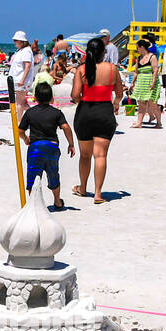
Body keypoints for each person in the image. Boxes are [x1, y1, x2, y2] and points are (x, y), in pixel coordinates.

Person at [70, 36, 123, 205]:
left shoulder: (81, 69)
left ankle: (83, 188)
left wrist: (84, 100)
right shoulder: (112, 69)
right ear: (103, 53)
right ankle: (98, 194)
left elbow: (74, 95)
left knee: (85, 155)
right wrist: (115, 104)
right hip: (104, 113)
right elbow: (120, 93)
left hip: (85, 113)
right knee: (100, 155)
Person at [18, 81, 75, 210]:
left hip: (35, 147)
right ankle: (57, 202)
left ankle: (33, 205)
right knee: (53, 174)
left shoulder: (30, 113)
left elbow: (20, 130)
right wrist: (71, 144)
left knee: (32, 175)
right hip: (52, 147)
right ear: (51, 98)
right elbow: (66, 127)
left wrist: (26, 139)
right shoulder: (56, 113)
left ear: (35, 98)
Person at [130, 39, 162, 128]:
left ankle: (159, 123)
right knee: (141, 103)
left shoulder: (152, 57)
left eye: (137, 47)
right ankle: (139, 123)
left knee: (153, 104)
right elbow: (136, 72)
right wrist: (132, 83)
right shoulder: (139, 58)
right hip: (141, 82)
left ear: (142, 47)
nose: (137, 49)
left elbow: (155, 70)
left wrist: (153, 82)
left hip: (150, 81)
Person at [9, 30, 35, 112]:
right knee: (21, 103)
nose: (14, 42)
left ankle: (19, 123)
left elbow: (27, 66)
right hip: (18, 80)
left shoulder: (26, 51)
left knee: (20, 104)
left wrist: (22, 80)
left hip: (21, 82)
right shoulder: (20, 50)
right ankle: (31, 119)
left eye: (15, 40)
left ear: (21, 41)